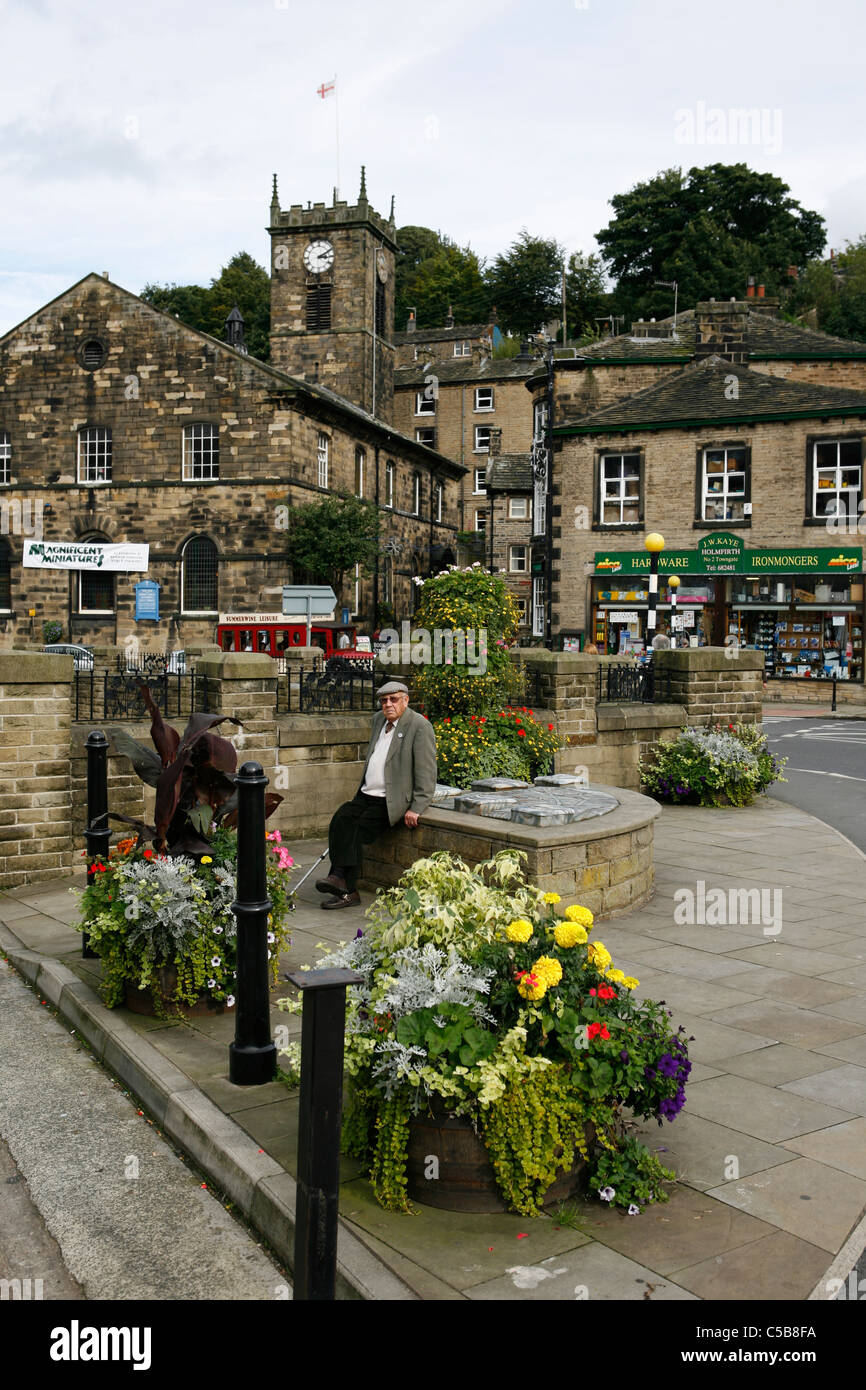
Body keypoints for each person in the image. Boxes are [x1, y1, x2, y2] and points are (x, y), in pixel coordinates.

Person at [316, 680, 438, 909]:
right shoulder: (378, 720)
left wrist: (417, 807)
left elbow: (427, 771)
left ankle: (343, 883)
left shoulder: (419, 726)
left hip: (390, 800)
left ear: (405, 700)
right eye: (383, 700)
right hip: (366, 793)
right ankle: (341, 882)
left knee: (357, 829)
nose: (388, 704)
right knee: (341, 819)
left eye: (393, 699)